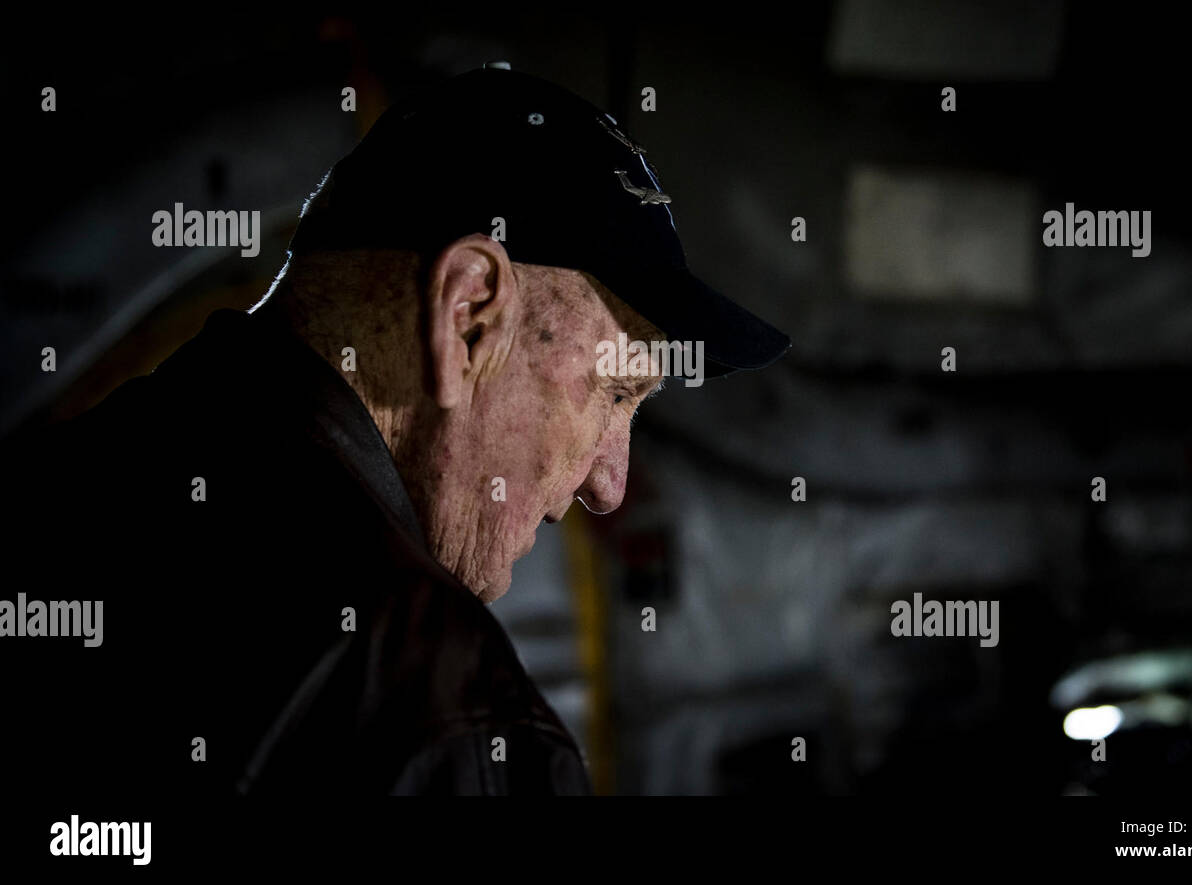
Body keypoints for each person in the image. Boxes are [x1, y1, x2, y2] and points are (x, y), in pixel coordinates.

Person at [0, 65, 790, 794]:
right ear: (470, 315)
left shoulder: (45, 491)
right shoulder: (450, 720)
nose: (609, 484)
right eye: (615, 392)